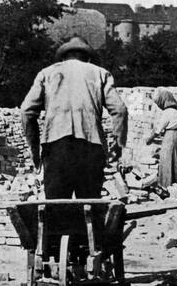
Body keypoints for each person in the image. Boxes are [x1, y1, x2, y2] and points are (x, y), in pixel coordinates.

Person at [20, 36, 128, 272]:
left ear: (63, 56)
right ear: (87, 56)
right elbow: (119, 110)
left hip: (55, 146)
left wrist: (35, 149)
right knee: (89, 202)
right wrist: (117, 146)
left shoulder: (47, 73)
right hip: (90, 147)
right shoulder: (100, 73)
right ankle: (89, 252)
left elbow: (27, 111)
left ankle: (57, 257)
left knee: (56, 204)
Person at [149, 88, 177, 196]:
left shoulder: (168, 112)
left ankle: (166, 187)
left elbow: (159, 129)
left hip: (170, 137)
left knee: (167, 161)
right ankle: (175, 186)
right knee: (175, 161)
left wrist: (149, 139)